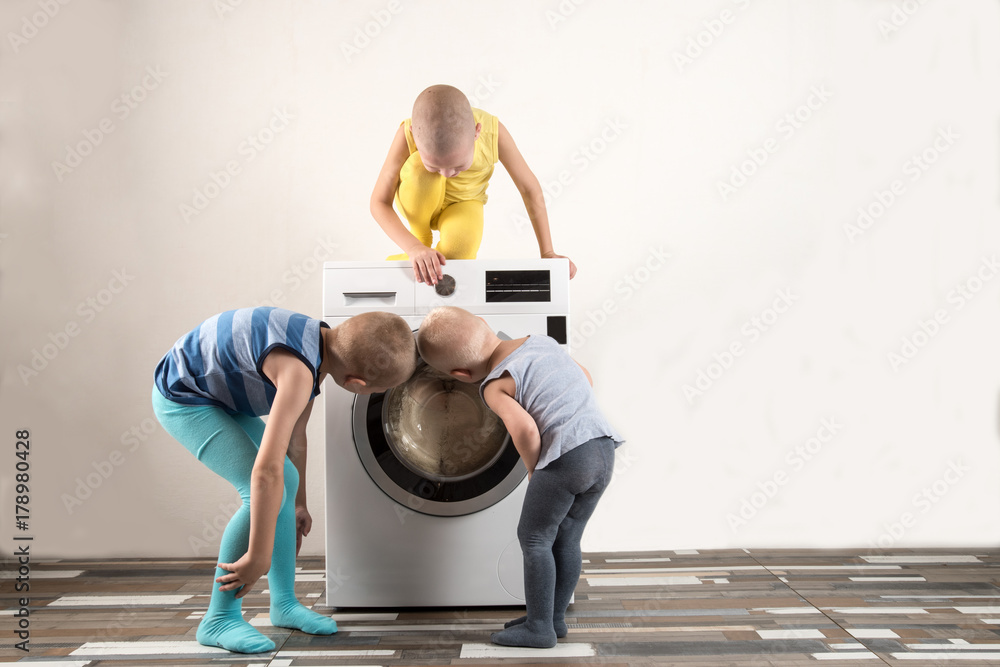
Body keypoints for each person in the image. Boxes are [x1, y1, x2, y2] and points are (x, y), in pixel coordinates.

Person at [151, 307, 416, 653]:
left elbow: (295, 439)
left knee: (284, 489)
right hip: (184, 398)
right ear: (356, 385)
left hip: (218, 396)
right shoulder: (299, 372)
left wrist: (298, 502)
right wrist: (258, 556)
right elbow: (265, 472)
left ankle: (284, 605)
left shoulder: (321, 345)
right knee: (256, 491)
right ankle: (218, 618)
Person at [416, 306, 621, 648]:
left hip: (566, 458)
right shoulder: (541, 341)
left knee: (534, 538)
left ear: (461, 373)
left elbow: (525, 430)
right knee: (566, 539)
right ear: (485, 325)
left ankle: (539, 628)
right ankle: (552, 619)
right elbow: (584, 376)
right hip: (602, 448)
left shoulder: (494, 385)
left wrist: (534, 470)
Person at [371, 84, 577, 286]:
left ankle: (413, 264)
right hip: (418, 201)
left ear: (476, 132)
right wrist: (414, 247)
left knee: (458, 252)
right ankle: (420, 241)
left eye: (459, 166)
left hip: (463, 202)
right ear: (414, 134)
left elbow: (529, 188)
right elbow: (379, 202)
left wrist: (548, 252)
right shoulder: (406, 133)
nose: (447, 174)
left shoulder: (493, 134)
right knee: (419, 169)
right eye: (434, 166)